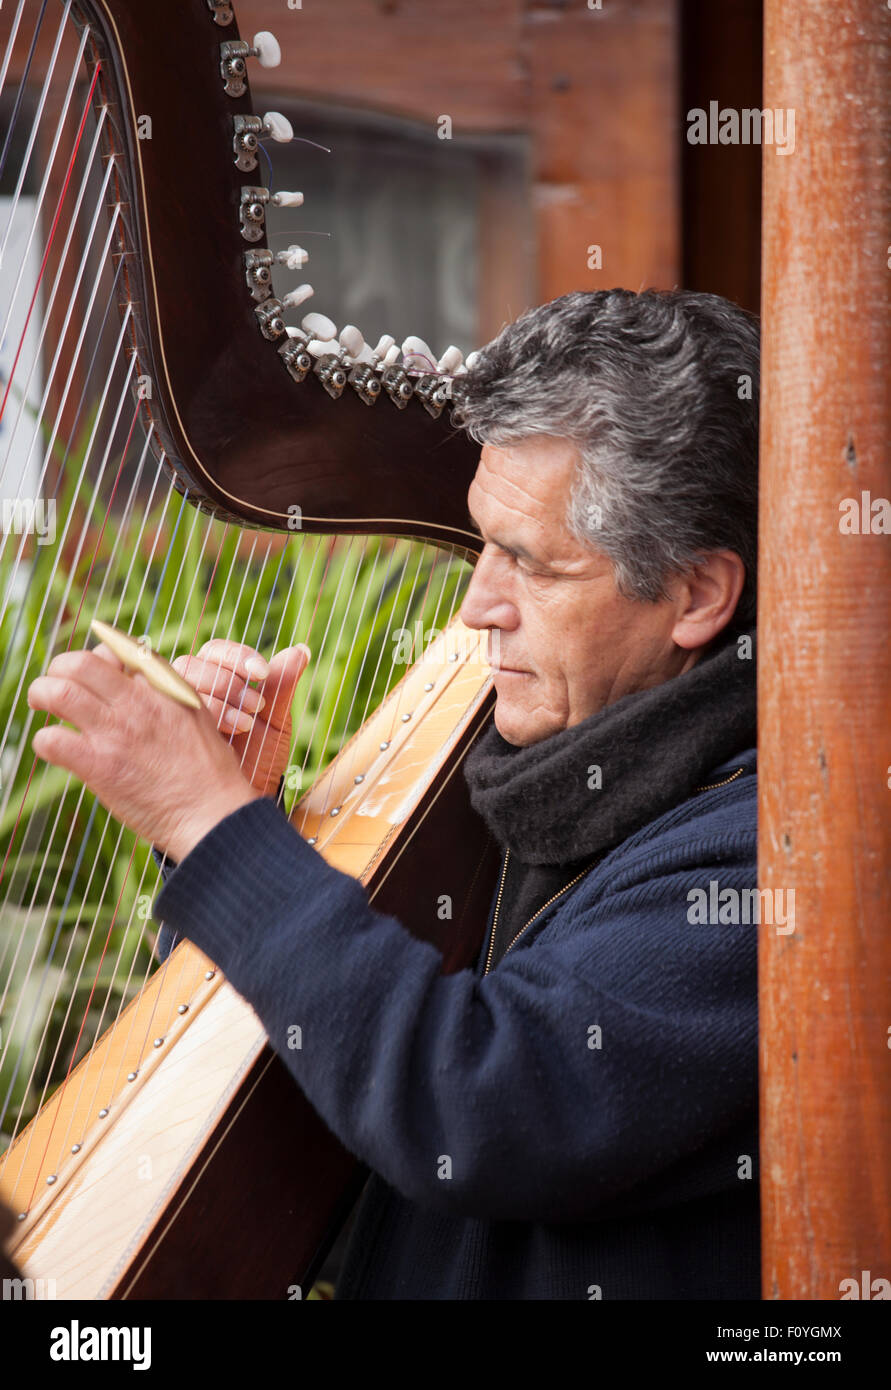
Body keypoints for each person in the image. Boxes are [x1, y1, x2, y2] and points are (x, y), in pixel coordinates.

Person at [27, 287, 760, 1300]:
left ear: (697, 595)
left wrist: (219, 830)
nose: (477, 607)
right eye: (480, 544)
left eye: (530, 564)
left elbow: (485, 1101)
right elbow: (334, 1074)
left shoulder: (773, 854)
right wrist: (242, 837)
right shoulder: (547, 772)